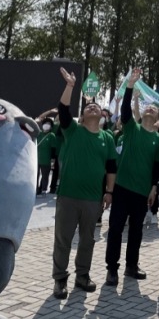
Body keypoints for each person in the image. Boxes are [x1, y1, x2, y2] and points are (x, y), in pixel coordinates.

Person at [52, 68, 117, 300]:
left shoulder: (107, 138)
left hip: (93, 198)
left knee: (88, 240)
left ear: (102, 115)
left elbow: (111, 168)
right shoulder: (72, 130)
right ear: (84, 113)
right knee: (63, 240)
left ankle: (83, 276)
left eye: (96, 107)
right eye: (89, 106)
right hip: (68, 195)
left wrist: (109, 192)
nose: (92, 107)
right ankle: (60, 280)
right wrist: (70, 86)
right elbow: (63, 110)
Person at [104, 69, 159, 286]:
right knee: (116, 229)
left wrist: (153, 188)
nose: (149, 108)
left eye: (154, 108)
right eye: (147, 107)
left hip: (141, 192)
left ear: (157, 118)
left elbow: (157, 167)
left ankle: (131, 266)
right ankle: (112, 268)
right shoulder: (131, 128)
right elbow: (126, 111)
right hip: (121, 188)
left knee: (137, 231)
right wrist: (130, 85)